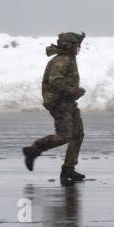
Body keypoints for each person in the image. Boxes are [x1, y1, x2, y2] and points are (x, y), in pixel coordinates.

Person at [22, 32, 87, 186]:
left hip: (68, 102)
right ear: (68, 45)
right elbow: (55, 80)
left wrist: (74, 92)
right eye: (76, 45)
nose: (78, 48)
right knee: (65, 136)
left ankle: (68, 169)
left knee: (78, 134)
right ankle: (33, 150)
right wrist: (72, 91)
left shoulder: (69, 58)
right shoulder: (61, 60)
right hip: (59, 103)